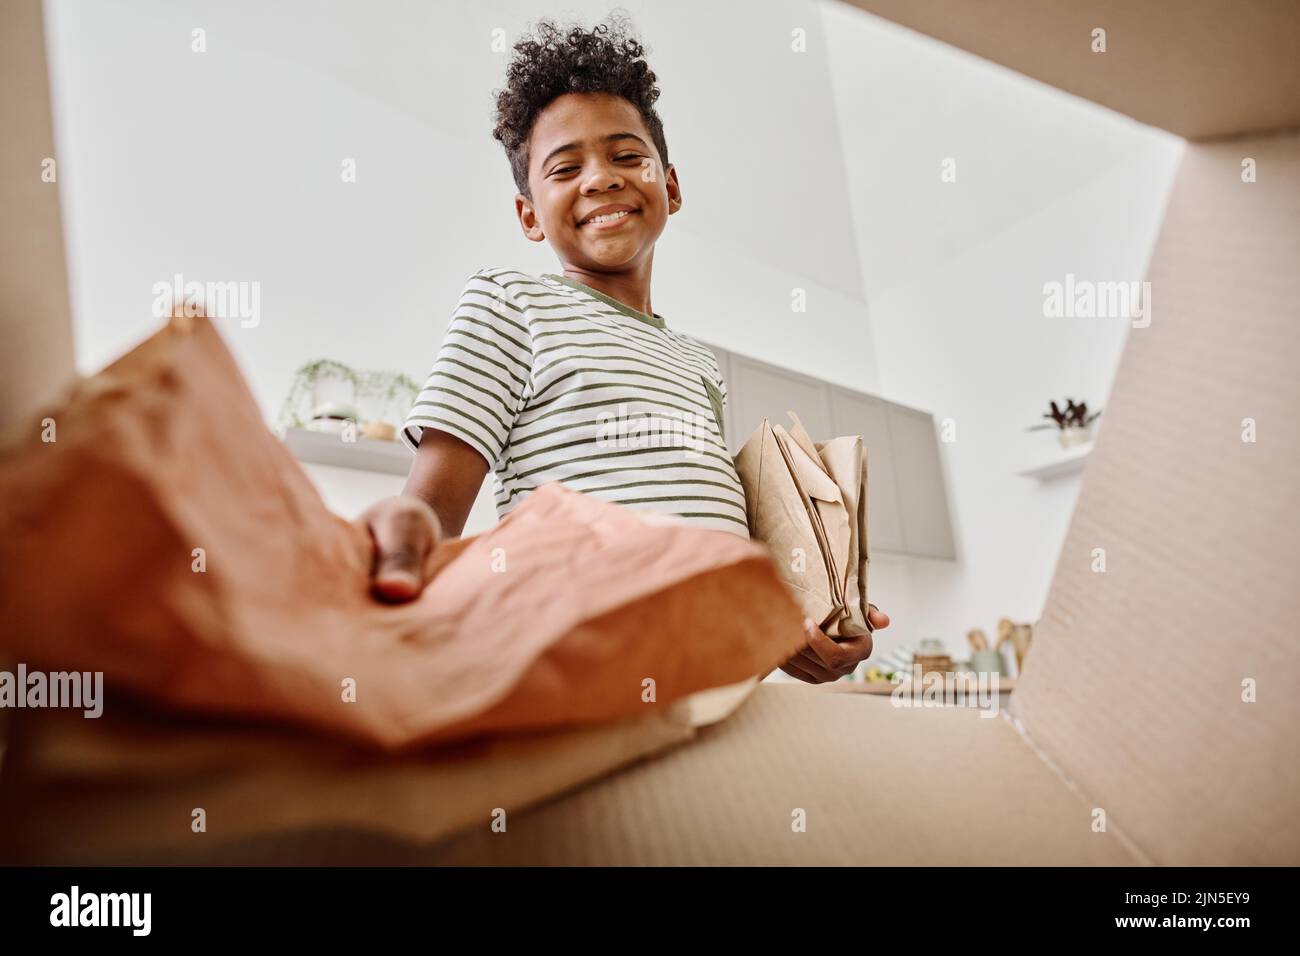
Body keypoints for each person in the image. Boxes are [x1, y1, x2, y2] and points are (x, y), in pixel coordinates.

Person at [356, 15, 888, 683]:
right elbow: (430, 512)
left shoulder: (696, 362)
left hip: (726, 691)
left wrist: (796, 632)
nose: (601, 179)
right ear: (528, 214)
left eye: (626, 155)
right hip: (582, 676)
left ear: (670, 185)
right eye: (565, 167)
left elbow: (709, 535)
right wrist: (392, 558)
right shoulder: (509, 304)